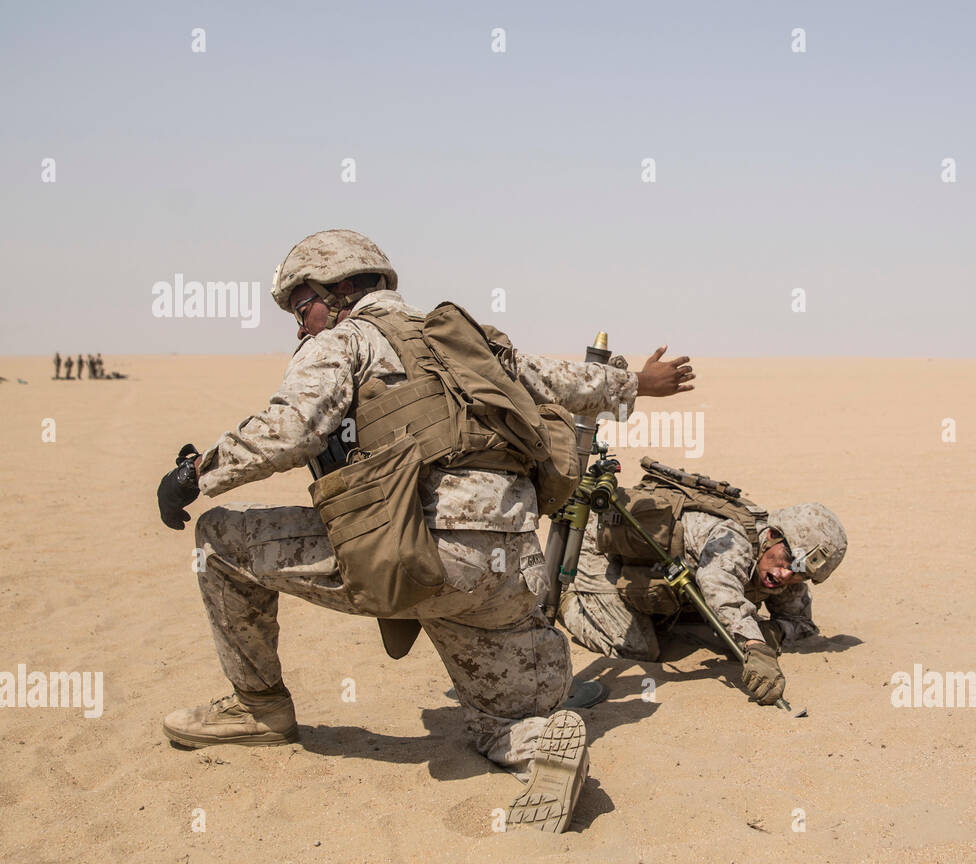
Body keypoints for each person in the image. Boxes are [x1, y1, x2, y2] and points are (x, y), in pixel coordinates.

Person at [154, 229, 694, 832]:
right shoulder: (469, 341)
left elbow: (291, 427)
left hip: (421, 554)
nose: (299, 324)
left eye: (300, 305)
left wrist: (195, 473)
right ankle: (538, 745)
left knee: (219, 541)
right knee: (502, 719)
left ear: (340, 291)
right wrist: (640, 383)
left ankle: (258, 709)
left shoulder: (347, 339)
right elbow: (561, 379)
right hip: (512, 566)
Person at [559, 464, 846, 706]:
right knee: (638, 649)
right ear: (772, 535)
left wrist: (773, 631)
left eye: (800, 573)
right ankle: (569, 603)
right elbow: (718, 584)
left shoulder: (787, 569)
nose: (785, 575)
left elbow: (803, 624)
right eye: (787, 560)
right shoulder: (733, 538)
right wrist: (756, 643)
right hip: (601, 550)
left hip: (653, 568)